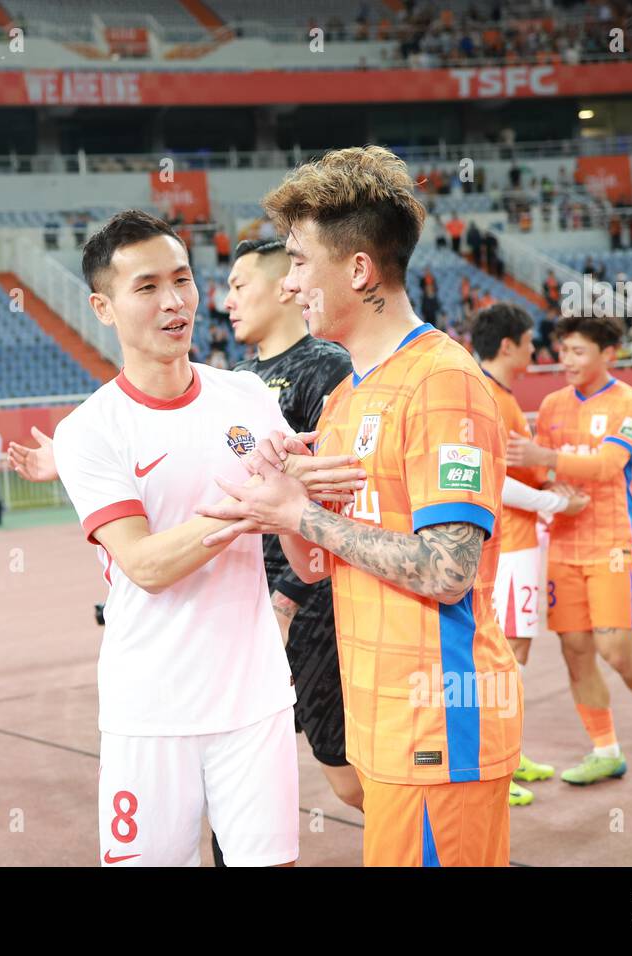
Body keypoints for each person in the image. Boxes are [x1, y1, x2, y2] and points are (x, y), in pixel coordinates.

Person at [8, 210, 362, 867]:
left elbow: (304, 561)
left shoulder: (248, 394)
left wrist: (305, 501)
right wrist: (256, 501)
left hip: (253, 699)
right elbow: (144, 563)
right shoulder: (91, 430)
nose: (174, 302)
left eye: (182, 280)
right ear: (103, 307)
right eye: (146, 287)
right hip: (151, 712)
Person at [200, 146, 522, 867]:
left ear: (358, 270)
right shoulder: (345, 398)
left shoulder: (442, 380)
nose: (289, 286)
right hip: (383, 725)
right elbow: (319, 564)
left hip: (443, 722)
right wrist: (280, 492)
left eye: (300, 262)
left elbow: (447, 569)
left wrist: (301, 515)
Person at [220, 238, 359, 859]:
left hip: (309, 606)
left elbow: (332, 502)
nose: (226, 302)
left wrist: (288, 602)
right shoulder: (233, 384)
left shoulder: (326, 366)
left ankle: (427, 837)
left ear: (284, 287)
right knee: (233, 769)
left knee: (348, 776)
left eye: (238, 285)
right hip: (242, 606)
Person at [507, 314, 632, 786]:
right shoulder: (551, 404)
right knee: (576, 651)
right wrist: (548, 481)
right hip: (563, 546)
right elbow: (540, 470)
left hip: (611, 544)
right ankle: (605, 750)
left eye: (578, 351)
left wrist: (543, 460)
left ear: (608, 354)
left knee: (617, 652)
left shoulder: (630, 403)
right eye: (563, 350)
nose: (566, 359)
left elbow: (608, 464)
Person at [473, 304, 590, 807]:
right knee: (507, 654)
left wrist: (547, 482)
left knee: (511, 652)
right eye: (528, 342)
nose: (535, 351)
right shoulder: (489, 398)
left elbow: (516, 470)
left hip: (516, 541)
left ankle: (508, 756)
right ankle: (492, 765)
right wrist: (553, 502)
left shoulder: (497, 394)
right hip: (510, 544)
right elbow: (492, 481)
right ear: (508, 346)